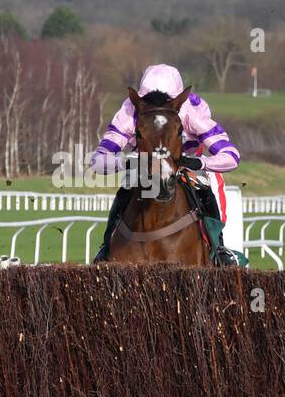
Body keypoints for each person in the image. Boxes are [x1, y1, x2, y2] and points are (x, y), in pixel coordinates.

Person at [89, 64, 240, 265]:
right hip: (144, 166)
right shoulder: (129, 110)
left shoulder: (192, 111)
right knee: (126, 188)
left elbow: (231, 155)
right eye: (150, 101)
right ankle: (107, 246)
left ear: (176, 100)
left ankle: (219, 249)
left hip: (187, 165)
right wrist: (126, 162)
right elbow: (98, 160)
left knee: (204, 187)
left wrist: (199, 162)